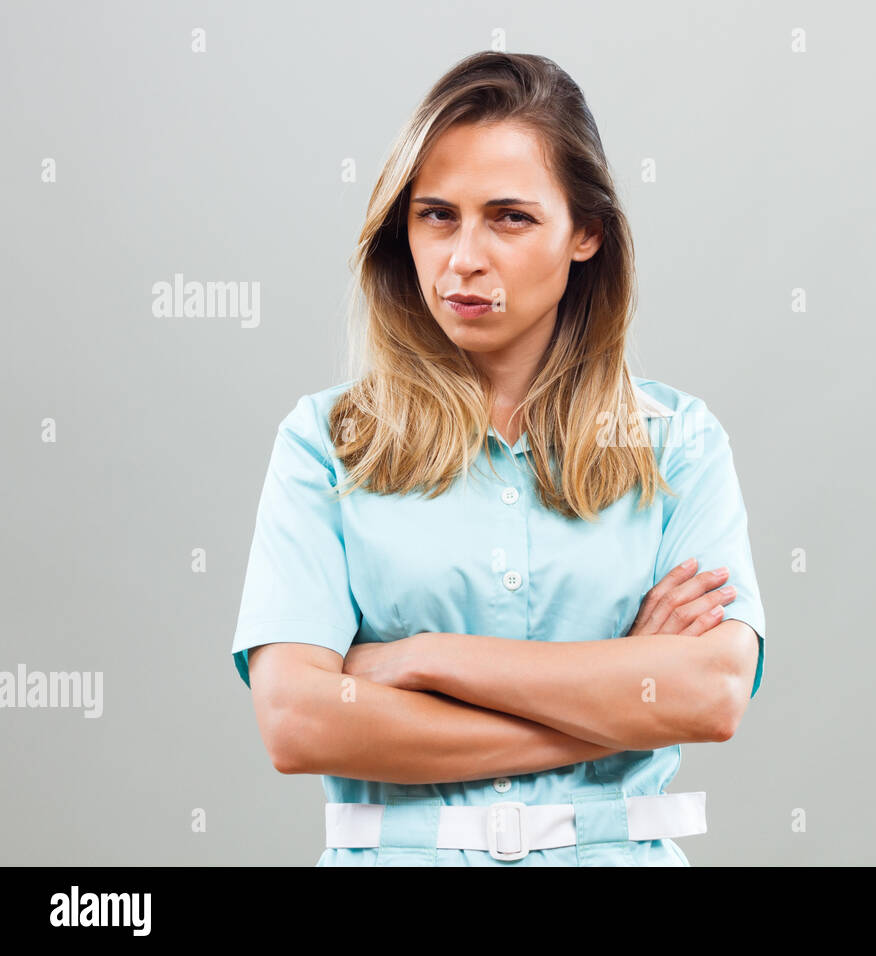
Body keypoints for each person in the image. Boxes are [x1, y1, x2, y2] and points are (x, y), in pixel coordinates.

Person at [230, 51, 766, 866]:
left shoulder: (678, 443)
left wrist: (419, 659)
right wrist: (615, 693)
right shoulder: (324, 442)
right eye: (436, 215)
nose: (463, 258)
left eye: (509, 217)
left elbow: (712, 693)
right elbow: (299, 722)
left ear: (586, 231)